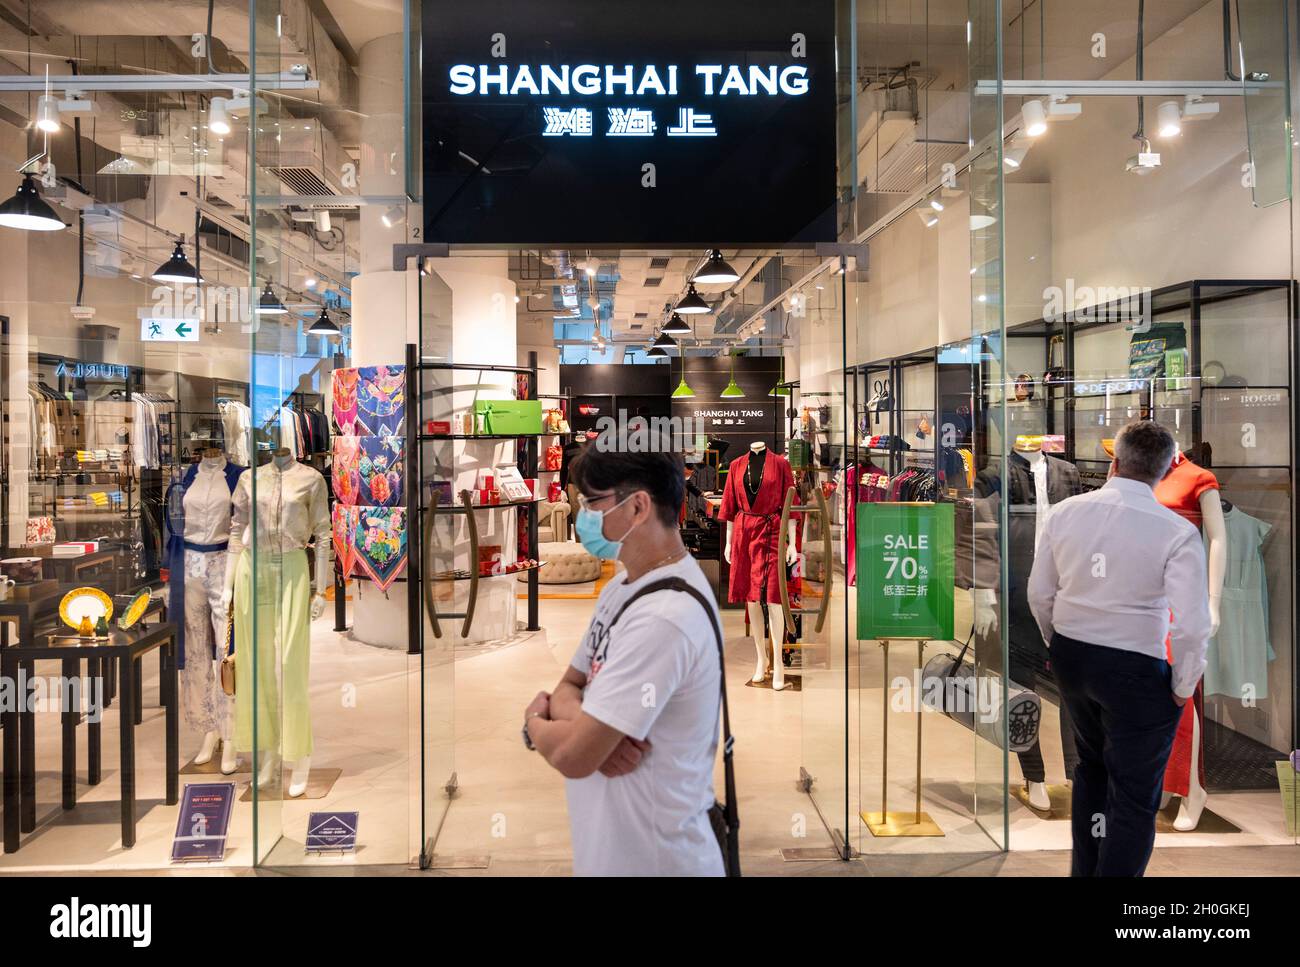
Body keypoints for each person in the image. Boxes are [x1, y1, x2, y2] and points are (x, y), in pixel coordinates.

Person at [523, 433, 725, 876]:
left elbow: (574, 757)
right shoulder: (624, 586)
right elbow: (571, 683)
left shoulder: (664, 618)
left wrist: (536, 723)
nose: (584, 517)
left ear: (637, 507)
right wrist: (592, 729)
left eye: (593, 504)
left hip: (658, 861)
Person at [1027, 420, 1210, 876]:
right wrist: (1183, 687)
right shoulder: (1175, 531)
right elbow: (1191, 624)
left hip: (1073, 655)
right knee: (1133, 795)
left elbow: (1039, 593)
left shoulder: (1066, 513)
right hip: (1136, 666)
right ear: (1167, 469)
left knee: (1091, 768)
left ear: (1115, 460)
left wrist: (1058, 643)